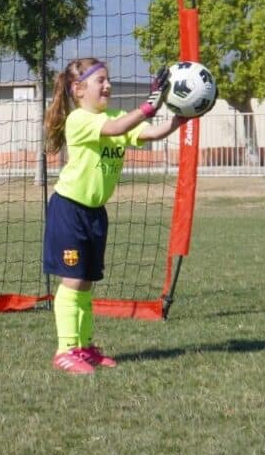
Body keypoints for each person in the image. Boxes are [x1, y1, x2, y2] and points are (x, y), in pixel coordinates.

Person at [42, 58, 187, 374]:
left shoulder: (116, 116)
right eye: (101, 81)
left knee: (87, 284)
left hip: (95, 213)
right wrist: (149, 104)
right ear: (78, 90)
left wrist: (181, 117)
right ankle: (65, 350)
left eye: (109, 80)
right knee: (72, 281)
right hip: (69, 210)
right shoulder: (79, 120)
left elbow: (150, 134)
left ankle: (84, 347)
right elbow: (117, 129)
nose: (108, 85)